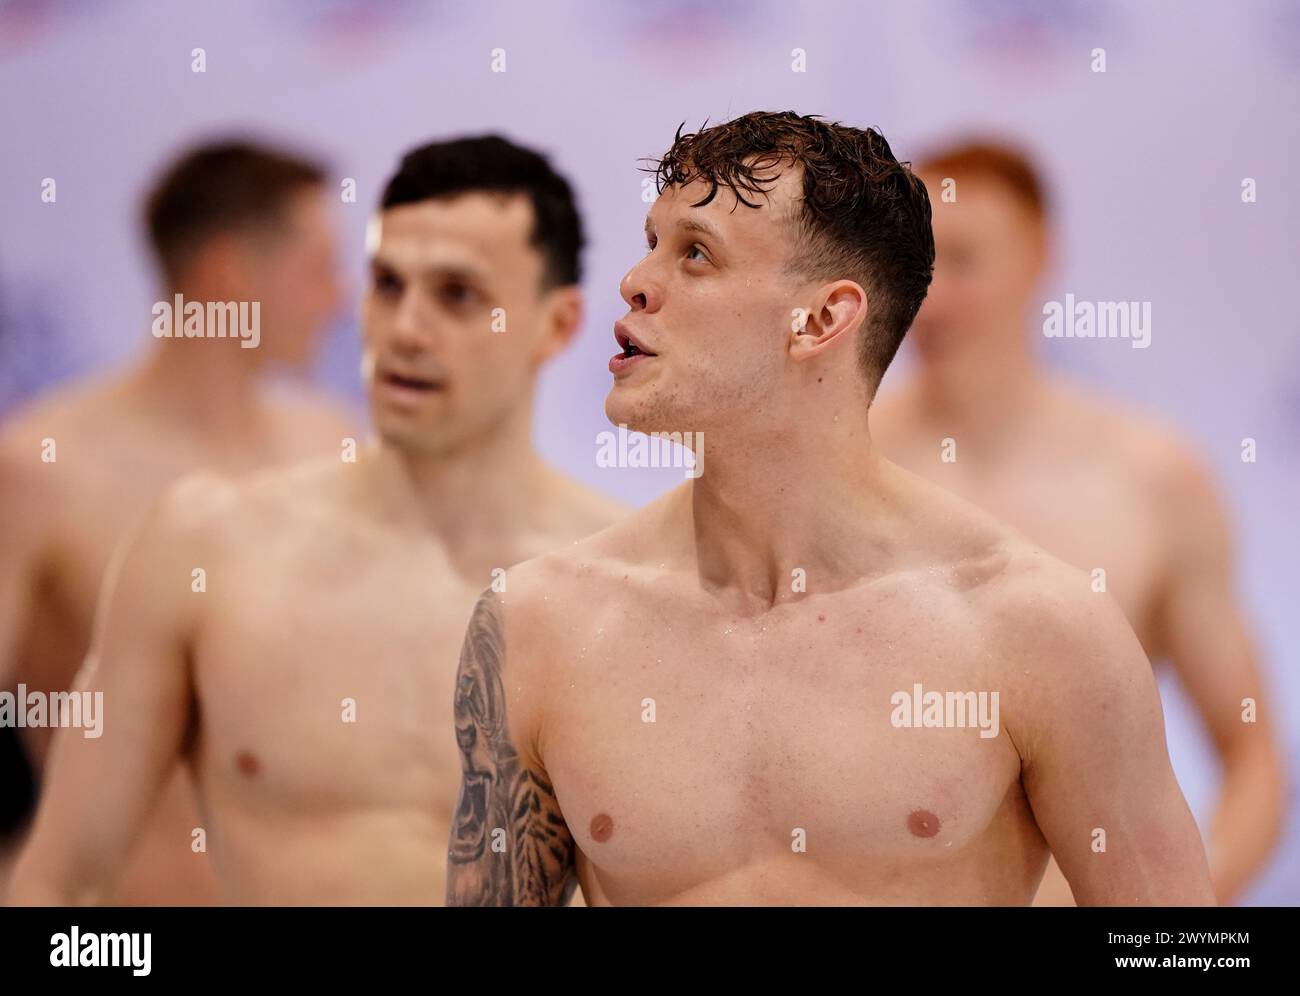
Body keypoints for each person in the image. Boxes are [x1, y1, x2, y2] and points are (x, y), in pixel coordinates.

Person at [444, 111, 1215, 906]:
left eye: (696, 254)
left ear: (821, 319)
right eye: (651, 242)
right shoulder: (537, 626)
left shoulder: (1034, 630)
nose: (636, 280)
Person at [7, 135, 623, 906]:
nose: (403, 328)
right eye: (386, 284)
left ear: (558, 326)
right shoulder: (207, 546)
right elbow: (57, 890)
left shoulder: (621, 585)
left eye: (458, 295)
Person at [870, 140, 1285, 905]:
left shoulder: (1153, 481)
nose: (931, 293)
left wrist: (1183, 913)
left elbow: (1251, 750)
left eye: (962, 261)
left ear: (1038, 258)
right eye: (912, 262)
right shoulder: (846, 468)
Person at [0, 140, 355, 904]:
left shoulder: (334, 448)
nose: (341, 301)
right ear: (229, 272)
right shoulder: (45, 469)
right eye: (319, 269)